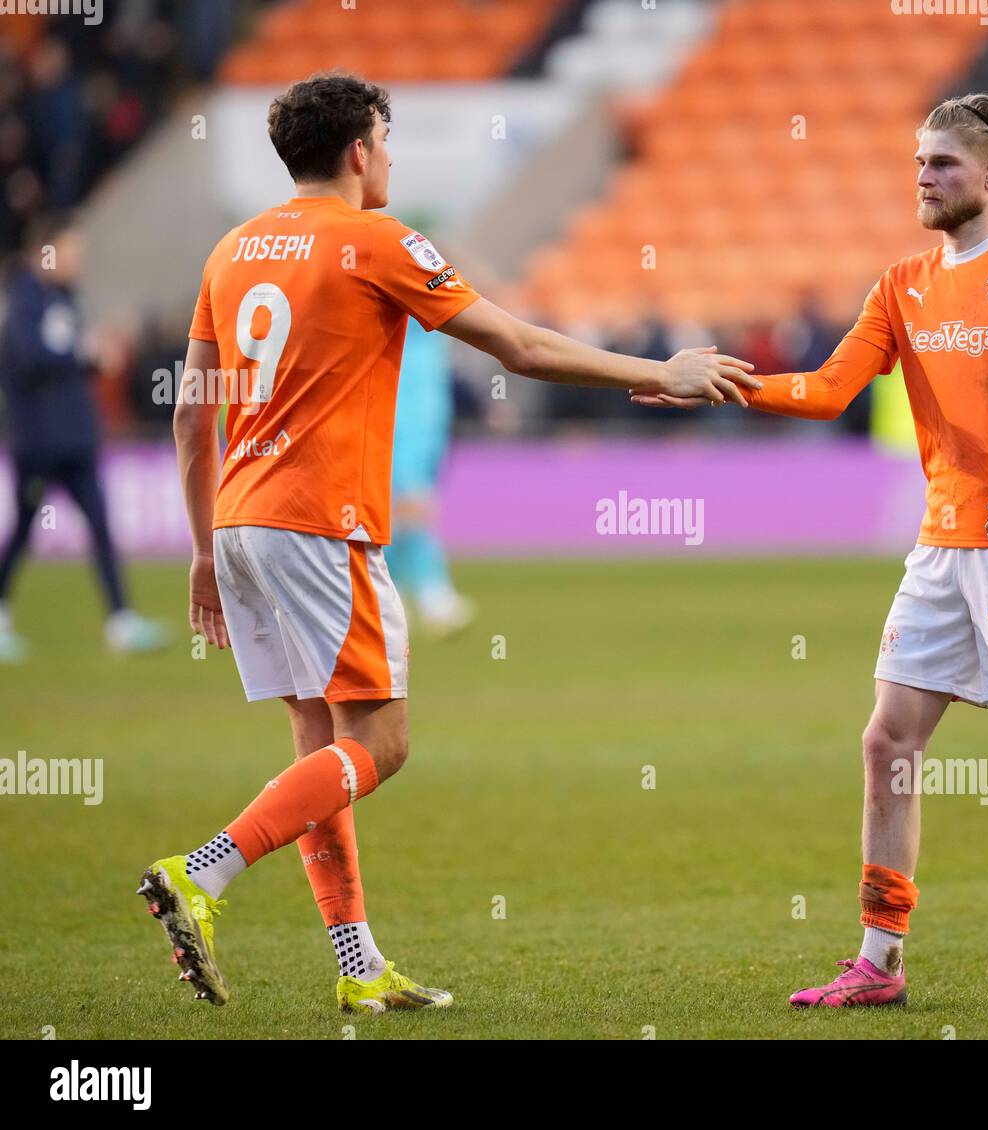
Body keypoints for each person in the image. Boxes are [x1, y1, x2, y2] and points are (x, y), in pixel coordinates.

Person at [144, 72, 757, 1012]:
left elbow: (192, 417)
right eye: (385, 141)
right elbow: (519, 346)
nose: (389, 157)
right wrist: (661, 371)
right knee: (381, 745)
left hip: (236, 522)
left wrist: (199, 551)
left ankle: (358, 970)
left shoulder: (229, 251)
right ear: (358, 150)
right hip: (321, 523)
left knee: (321, 749)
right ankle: (204, 871)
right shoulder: (381, 241)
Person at [636, 93, 988, 1009]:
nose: (924, 176)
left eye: (942, 163)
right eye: (918, 161)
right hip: (940, 550)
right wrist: (723, 388)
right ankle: (879, 961)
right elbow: (829, 391)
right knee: (888, 742)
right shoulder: (902, 282)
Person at [0, 214, 167, 661]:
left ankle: (121, 621)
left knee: (101, 527)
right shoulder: (24, 299)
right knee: (22, 532)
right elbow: (30, 357)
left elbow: (69, 356)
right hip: (39, 444)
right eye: (70, 251)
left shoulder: (65, 298)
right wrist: (81, 351)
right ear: (45, 251)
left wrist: (95, 354)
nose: (78, 260)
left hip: (75, 440)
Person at [387, 317, 475, 636]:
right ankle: (432, 592)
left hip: (430, 415)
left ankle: (392, 593)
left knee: (414, 505)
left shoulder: (437, 287)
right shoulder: (400, 281)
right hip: (398, 410)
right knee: (409, 504)